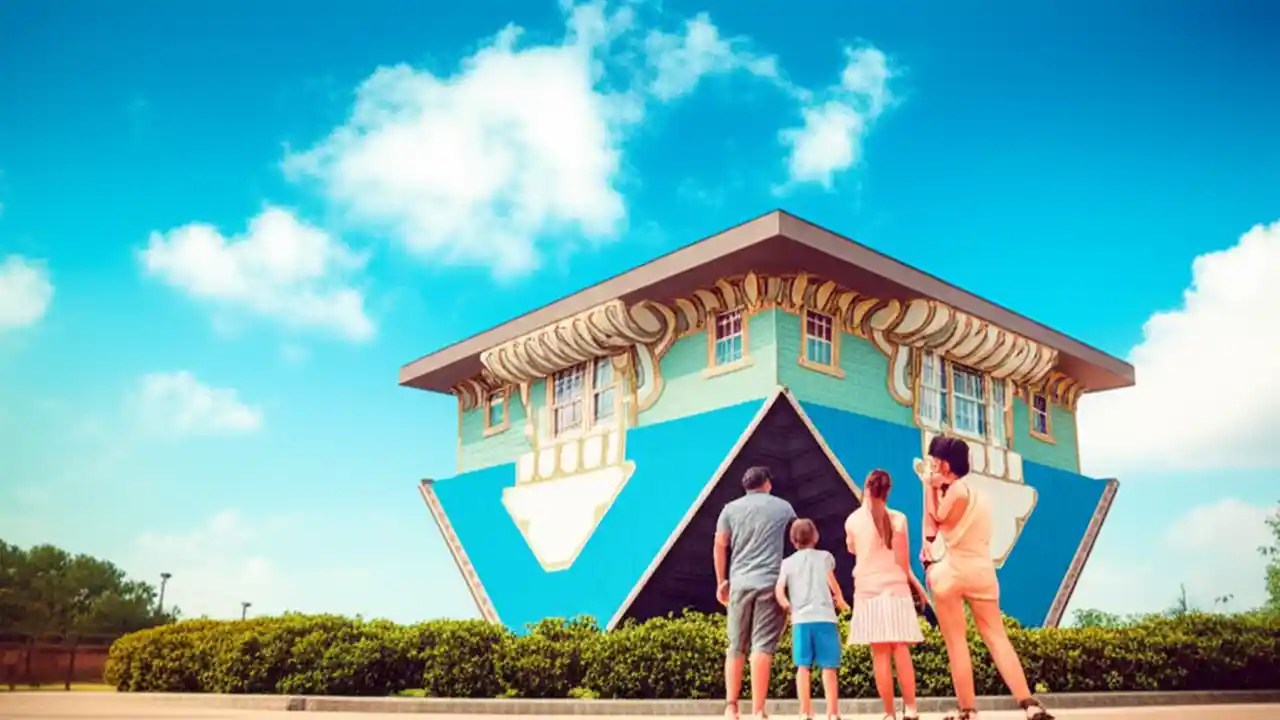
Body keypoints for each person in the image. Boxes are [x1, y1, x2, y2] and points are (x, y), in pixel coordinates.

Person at [920, 436, 1054, 720]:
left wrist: (927, 488)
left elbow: (932, 525)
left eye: (934, 460)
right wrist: (935, 485)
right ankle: (1028, 703)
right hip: (982, 573)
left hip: (953, 573)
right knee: (997, 638)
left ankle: (967, 709)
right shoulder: (980, 497)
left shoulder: (953, 492)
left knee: (957, 642)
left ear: (944, 464)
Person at [715, 465, 797, 720]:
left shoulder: (729, 509)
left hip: (739, 584)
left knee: (736, 644)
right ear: (767, 484)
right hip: (770, 584)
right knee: (762, 646)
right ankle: (758, 709)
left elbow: (720, 545)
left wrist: (721, 581)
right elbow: (799, 537)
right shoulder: (783, 507)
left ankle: (731, 707)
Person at [845, 469, 924, 720]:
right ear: (888, 492)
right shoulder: (899, 518)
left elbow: (851, 548)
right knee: (900, 648)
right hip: (896, 589)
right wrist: (918, 587)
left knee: (879, 653)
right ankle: (910, 708)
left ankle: (889, 713)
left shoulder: (853, 520)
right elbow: (903, 563)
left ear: (866, 488)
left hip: (867, 591)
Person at [775, 518, 849, 720]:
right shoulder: (825, 557)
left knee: (803, 666)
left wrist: (786, 605)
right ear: (815, 536)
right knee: (829, 667)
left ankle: (805, 711)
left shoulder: (787, 563)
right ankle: (832, 712)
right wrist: (840, 600)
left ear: (793, 540)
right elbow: (831, 582)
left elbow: (779, 589)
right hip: (825, 617)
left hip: (801, 619)